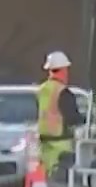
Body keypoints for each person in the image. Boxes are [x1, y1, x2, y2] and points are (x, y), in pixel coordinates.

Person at [36, 50, 86, 178]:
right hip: (60, 144)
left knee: (44, 179)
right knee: (60, 180)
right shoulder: (63, 92)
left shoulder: (42, 90)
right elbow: (72, 118)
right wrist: (84, 118)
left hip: (44, 144)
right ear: (64, 70)